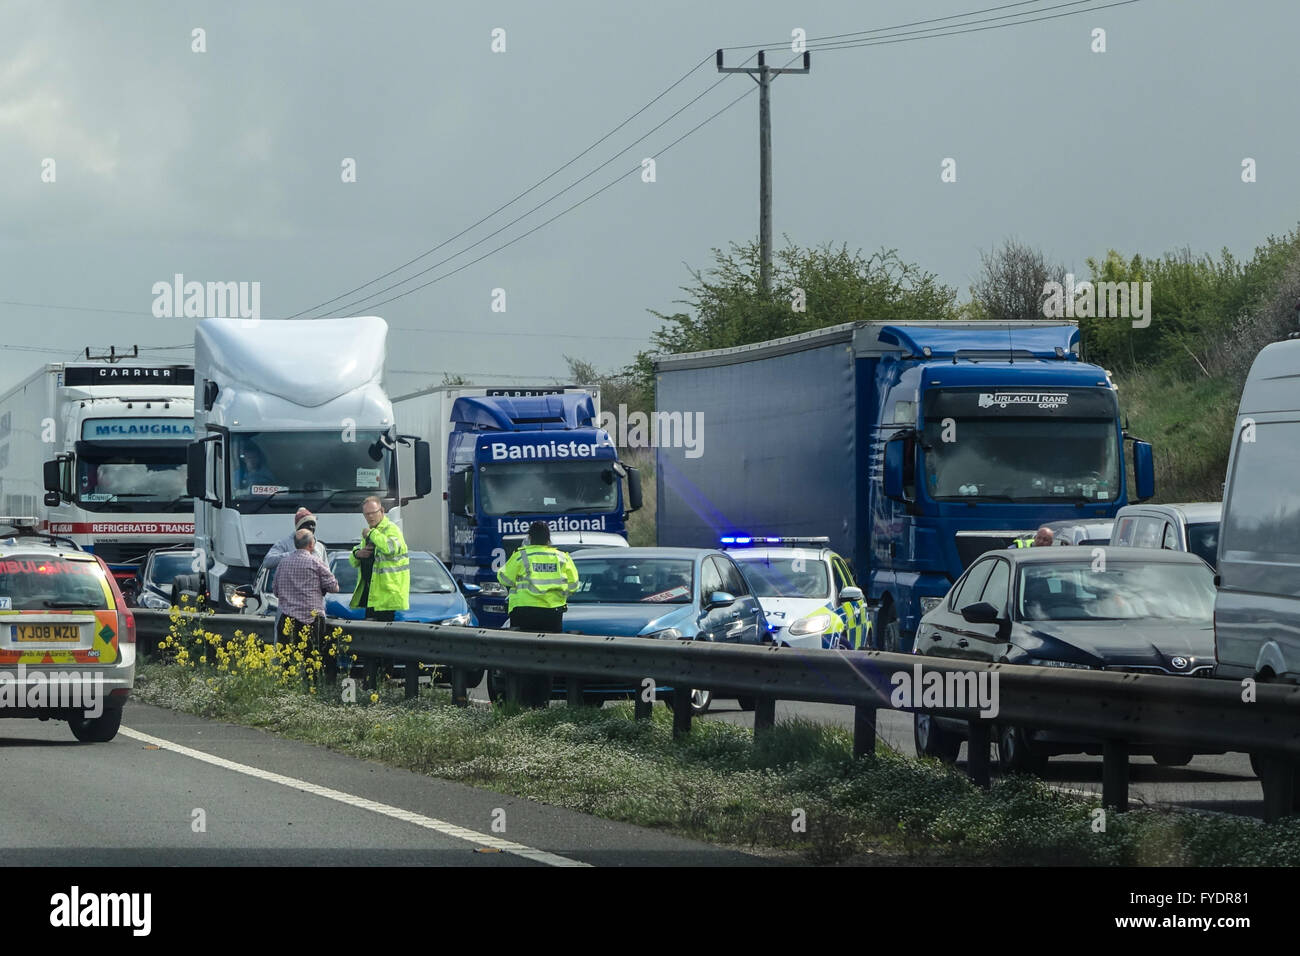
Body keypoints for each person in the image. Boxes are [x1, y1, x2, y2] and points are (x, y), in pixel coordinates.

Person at [496, 521, 579, 705]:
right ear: (549, 538)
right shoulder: (562, 557)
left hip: (524, 613)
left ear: (529, 537)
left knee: (523, 656)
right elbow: (574, 585)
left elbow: (504, 578)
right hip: (552, 614)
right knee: (547, 658)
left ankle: (524, 702)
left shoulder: (521, 556)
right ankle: (542, 702)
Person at [271, 529, 339, 679]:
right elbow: (334, 587)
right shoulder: (316, 562)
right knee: (312, 660)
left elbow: (275, 590)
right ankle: (312, 687)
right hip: (312, 620)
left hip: (287, 619)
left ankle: (287, 687)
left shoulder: (283, 563)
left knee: (287, 661)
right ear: (311, 544)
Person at [348, 496, 409, 621]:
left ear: (382, 511)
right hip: (373, 594)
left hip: (388, 596)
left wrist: (371, 533)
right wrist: (357, 554)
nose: (370, 517)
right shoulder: (372, 532)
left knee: (383, 631)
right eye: (367, 514)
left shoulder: (391, 529)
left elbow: (390, 548)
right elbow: (353, 562)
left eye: (373, 513)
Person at [263, 508, 328, 572]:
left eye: (313, 524)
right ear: (298, 527)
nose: (310, 527)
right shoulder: (284, 543)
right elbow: (267, 562)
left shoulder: (320, 546)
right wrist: (294, 554)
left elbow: (327, 571)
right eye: (306, 524)